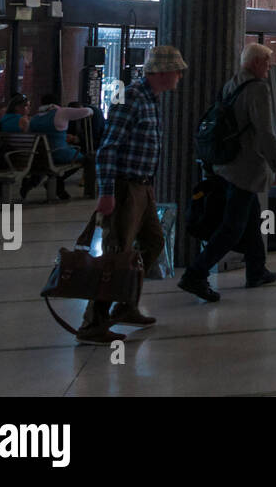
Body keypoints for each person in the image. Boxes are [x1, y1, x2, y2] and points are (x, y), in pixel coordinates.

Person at [77, 45, 187, 344]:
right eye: (177, 70)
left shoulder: (151, 100)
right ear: (162, 72)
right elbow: (108, 148)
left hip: (142, 186)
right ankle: (93, 322)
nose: (180, 76)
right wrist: (107, 192)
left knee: (153, 241)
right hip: (125, 187)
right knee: (118, 255)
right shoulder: (131, 98)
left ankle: (127, 303)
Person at [180, 43, 276, 303]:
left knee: (250, 219)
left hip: (225, 164)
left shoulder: (233, 84)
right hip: (245, 167)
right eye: (268, 62)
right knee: (232, 228)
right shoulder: (259, 89)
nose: (269, 66)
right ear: (258, 63)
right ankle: (195, 273)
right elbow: (265, 131)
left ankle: (256, 270)